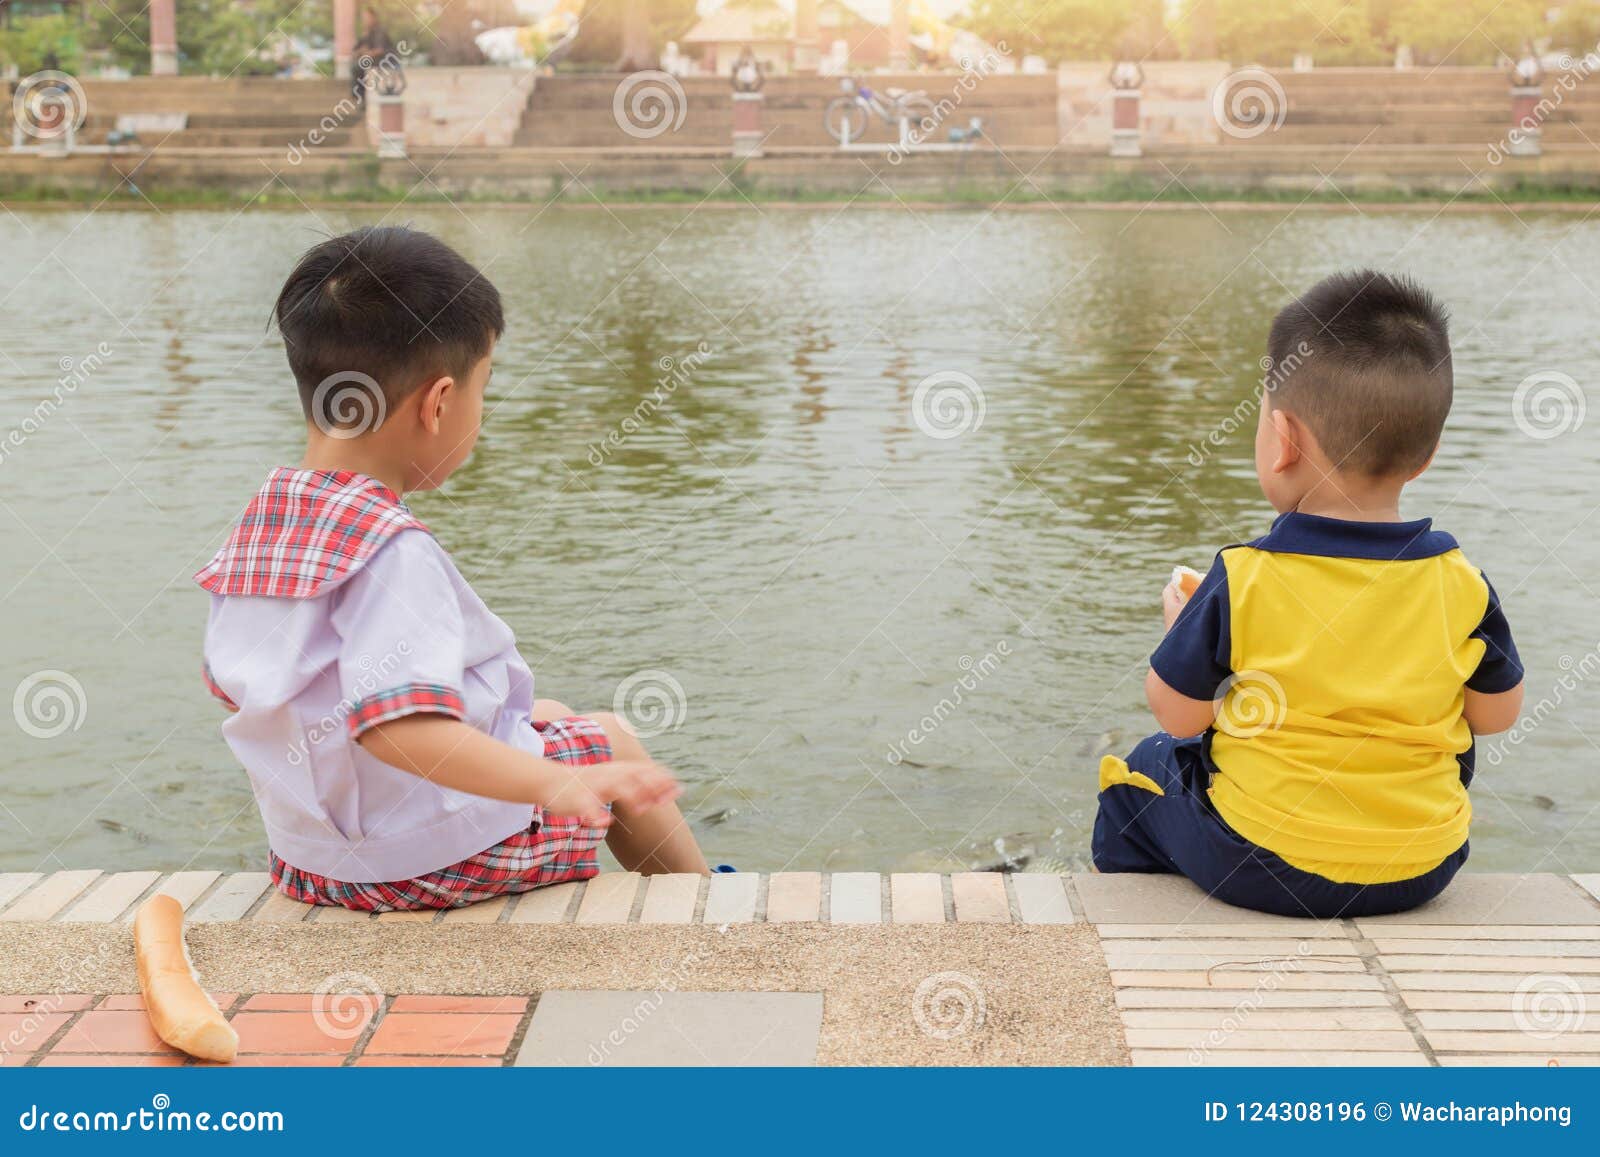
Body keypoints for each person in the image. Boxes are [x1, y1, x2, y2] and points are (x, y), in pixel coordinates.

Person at [197, 227, 710, 910]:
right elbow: (396, 728)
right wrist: (554, 784)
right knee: (609, 739)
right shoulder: (392, 551)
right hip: (420, 863)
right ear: (438, 404)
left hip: (308, 860)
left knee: (548, 713)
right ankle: (710, 905)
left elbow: (241, 690)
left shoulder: (268, 524)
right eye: (483, 388)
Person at [1092, 271, 1525, 918]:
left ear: (1285, 440)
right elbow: (1496, 716)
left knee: (1138, 774)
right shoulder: (1459, 580)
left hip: (1264, 864)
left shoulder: (1245, 576)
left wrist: (1178, 631)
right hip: (1425, 865)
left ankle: (1139, 925)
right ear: (1427, 452)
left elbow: (1180, 715)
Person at [351, 8, 394, 106]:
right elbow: (356, 50)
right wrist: (360, 52)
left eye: (366, 17)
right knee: (356, 66)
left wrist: (365, 53)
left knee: (357, 67)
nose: (365, 20)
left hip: (383, 60)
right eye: (363, 18)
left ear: (373, 17)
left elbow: (380, 50)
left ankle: (360, 96)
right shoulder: (367, 32)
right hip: (370, 60)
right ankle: (359, 96)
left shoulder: (380, 30)